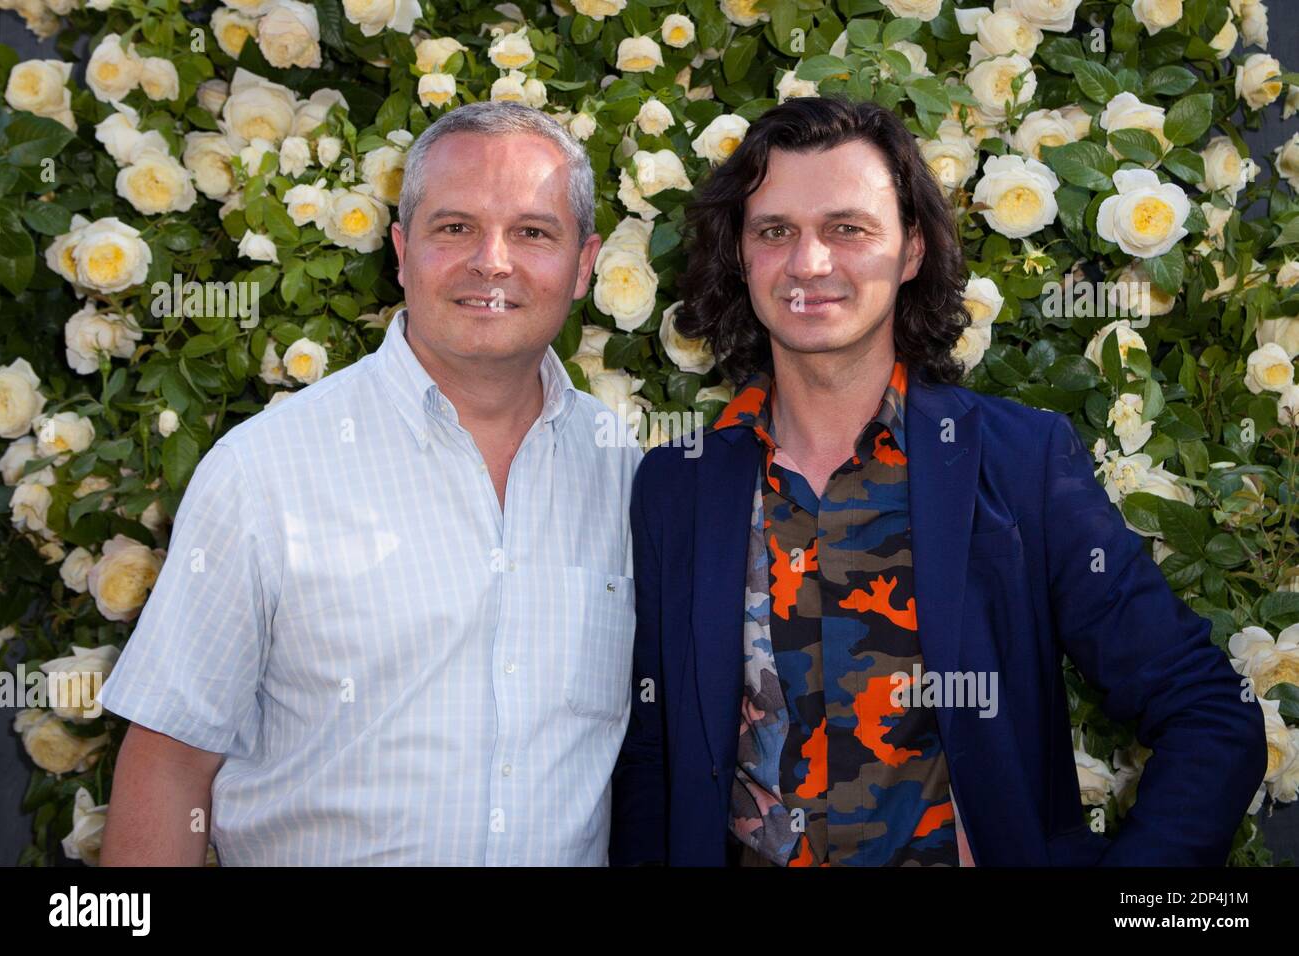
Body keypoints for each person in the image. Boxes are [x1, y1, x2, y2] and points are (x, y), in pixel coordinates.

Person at [610, 96, 1267, 867]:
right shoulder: (676, 486)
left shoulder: (1017, 463)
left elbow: (1210, 710)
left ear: (912, 248)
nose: (809, 262)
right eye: (774, 231)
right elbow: (655, 760)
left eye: (848, 228)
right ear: (741, 255)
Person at [99, 101, 641, 865]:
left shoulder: (629, 476)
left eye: (532, 232)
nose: (492, 261)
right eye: (454, 228)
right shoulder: (264, 471)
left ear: (583, 265)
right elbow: (168, 761)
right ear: (400, 250)